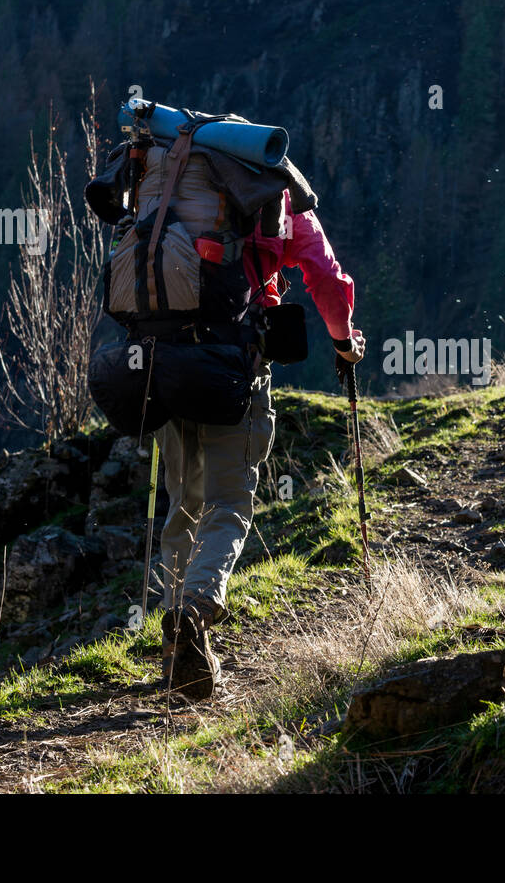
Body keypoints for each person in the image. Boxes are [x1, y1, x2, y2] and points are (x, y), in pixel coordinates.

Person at [157, 188, 365, 700]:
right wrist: (344, 341)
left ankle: (175, 646)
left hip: (162, 361)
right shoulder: (276, 199)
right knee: (228, 501)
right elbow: (323, 274)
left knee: (183, 501)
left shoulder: (171, 192)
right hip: (234, 364)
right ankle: (196, 609)